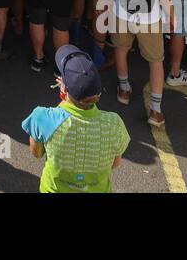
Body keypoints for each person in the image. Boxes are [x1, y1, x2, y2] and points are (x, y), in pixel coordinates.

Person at [22, 44, 129, 193]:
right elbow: (115, 163)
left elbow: (37, 153)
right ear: (97, 94)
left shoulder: (43, 118)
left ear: (64, 89)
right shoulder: (115, 124)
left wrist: (64, 100)